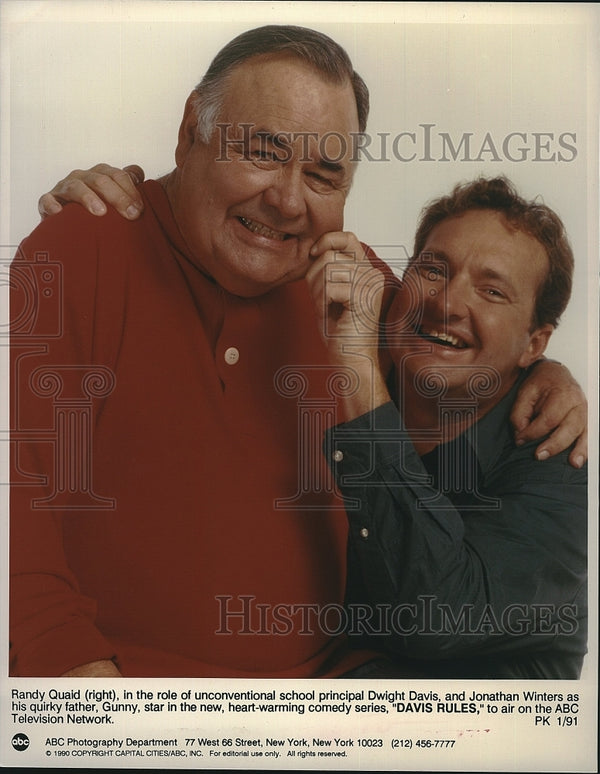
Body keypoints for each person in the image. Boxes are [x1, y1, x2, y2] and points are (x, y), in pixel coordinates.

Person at [11, 26, 586, 679]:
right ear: (189, 130)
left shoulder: (350, 281)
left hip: (335, 703)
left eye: (322, 175)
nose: (286, 199)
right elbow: (19, 536)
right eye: (262, 151)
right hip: (139, 703)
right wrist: (94, 706)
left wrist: (549, 375)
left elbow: (459, 339)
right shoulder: (81, 251)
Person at [306, 176, 587, 678]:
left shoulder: (558, 469)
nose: (447, 303)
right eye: (433, 270)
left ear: (533, 345)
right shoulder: (369, 318)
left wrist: (357, 370)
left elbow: (431, 616)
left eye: (492, 291)